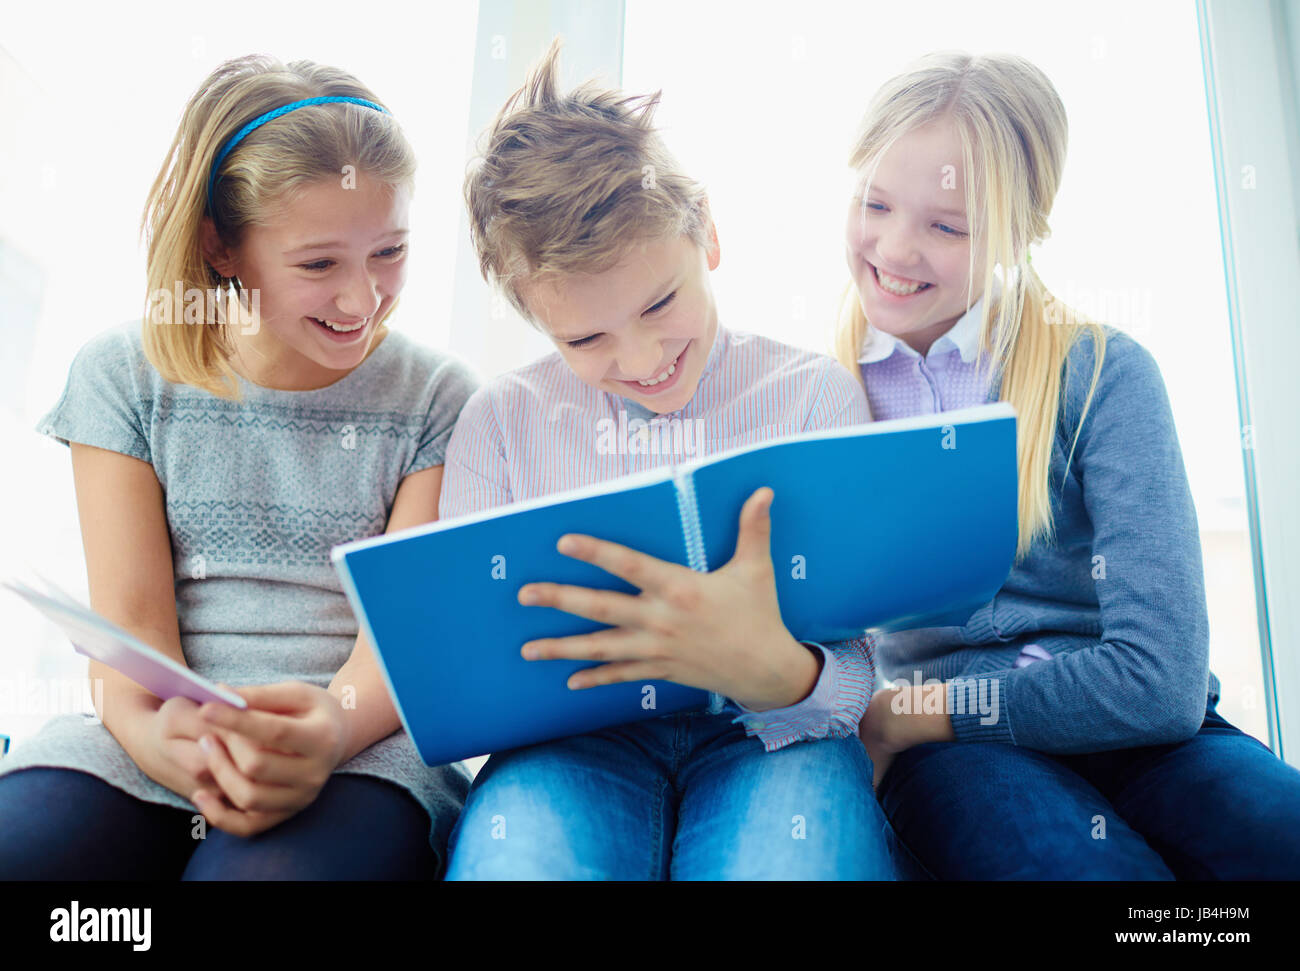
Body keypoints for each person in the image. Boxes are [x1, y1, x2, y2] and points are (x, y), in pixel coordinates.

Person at [0, 54, 477, 879]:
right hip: (159, 728)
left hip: (358, 742)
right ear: (223, 247)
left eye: (389, 251)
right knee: (28, 848)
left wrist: (323, 730)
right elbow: (132, 634)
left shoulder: (439, 399)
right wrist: (162, 742)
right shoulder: (122, 377)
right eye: (319, 264)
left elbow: (401, 648)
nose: (362, 298)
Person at [844, 50, 1300, 879]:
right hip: (962, 760)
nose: (894, 247)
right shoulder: (823, 398)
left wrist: (920, 708)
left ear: (1020, 233)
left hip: (1138, 735)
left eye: (947, 225)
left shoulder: (1102, 373)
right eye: (875, 203)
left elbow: (1157, 681)